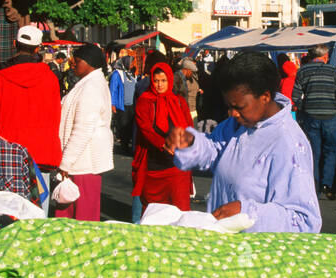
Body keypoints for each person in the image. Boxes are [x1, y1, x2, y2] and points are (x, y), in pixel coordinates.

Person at [166, 50, 320, 232]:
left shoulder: (289, 144)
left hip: (258, 254)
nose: (232, 114)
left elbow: (303, 220)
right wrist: (192, 143)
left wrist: (247, 212)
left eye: (239, 107)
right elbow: (215, 150)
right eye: (229, 107)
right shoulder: (237, 124)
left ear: (265, 97)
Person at [0, 25, 62, 169]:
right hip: (42, 154)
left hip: (6, 156)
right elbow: (55, 117)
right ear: (37, 48)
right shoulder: (50, 77)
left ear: (14, 44)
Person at [55, 43, 113, 222]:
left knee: (83, 217)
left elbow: (83, 129)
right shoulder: (88, 83)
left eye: (77, 61)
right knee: (73, 216)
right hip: (79, 162)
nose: (73, 65)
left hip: (83, 164)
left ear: (89, 63)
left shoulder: (92, 88)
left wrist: (65, 163)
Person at [132, 61, 195, 211]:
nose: (159, 85)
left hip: (177, 169)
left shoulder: (179, 102)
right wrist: (163, 144)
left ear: (170, 81)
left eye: (163, 81)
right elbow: (146, 129)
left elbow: (189, 128)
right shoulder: (144, 101)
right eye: (156, 81)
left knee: (180, 213)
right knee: (152, 215)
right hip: (153, 169)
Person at [292, 44, 336, 200]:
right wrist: (335, 108)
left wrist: (304, 108)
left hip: (310, 116)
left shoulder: (303, 71)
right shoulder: (333, 72)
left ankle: (313, 186)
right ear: (325, 56)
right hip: (329, 117)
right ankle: (326, 184)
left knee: (313, 152)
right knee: (331, 150)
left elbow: (295, 96)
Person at [173, 57, 200, 122]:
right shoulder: (176, 78)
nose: (191, 74)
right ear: (187, 70)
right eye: (191, 72)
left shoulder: (182, 78)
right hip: (181, 111)